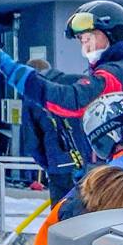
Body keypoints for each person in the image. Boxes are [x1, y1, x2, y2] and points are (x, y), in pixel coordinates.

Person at [0, 2, 123, 172]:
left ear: (114, 34)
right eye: (82, 41)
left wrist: (9, 68)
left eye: (89, 39)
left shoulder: (114, 75)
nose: (86, 48)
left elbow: (69, 100)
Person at [19, 58, 83, 205]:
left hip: (60, 164)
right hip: (91, 162)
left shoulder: (33, 97)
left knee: (62, 213)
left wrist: (49, 164)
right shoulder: (76, 83)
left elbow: (32, 142)